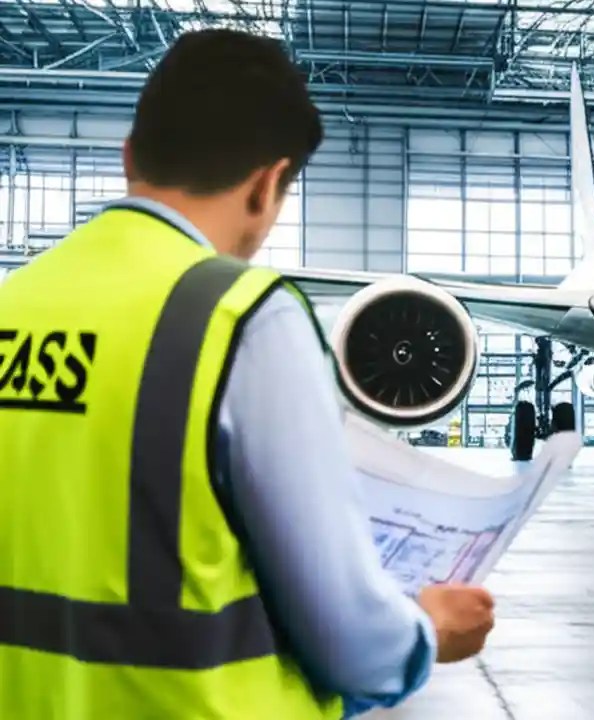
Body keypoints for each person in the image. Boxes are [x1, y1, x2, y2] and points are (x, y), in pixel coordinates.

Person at [0, 28, 494, 719]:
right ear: (266, 186)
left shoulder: (15, 303)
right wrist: (427, 629)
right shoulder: (242, 318)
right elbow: (356, 644)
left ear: (129, 156)